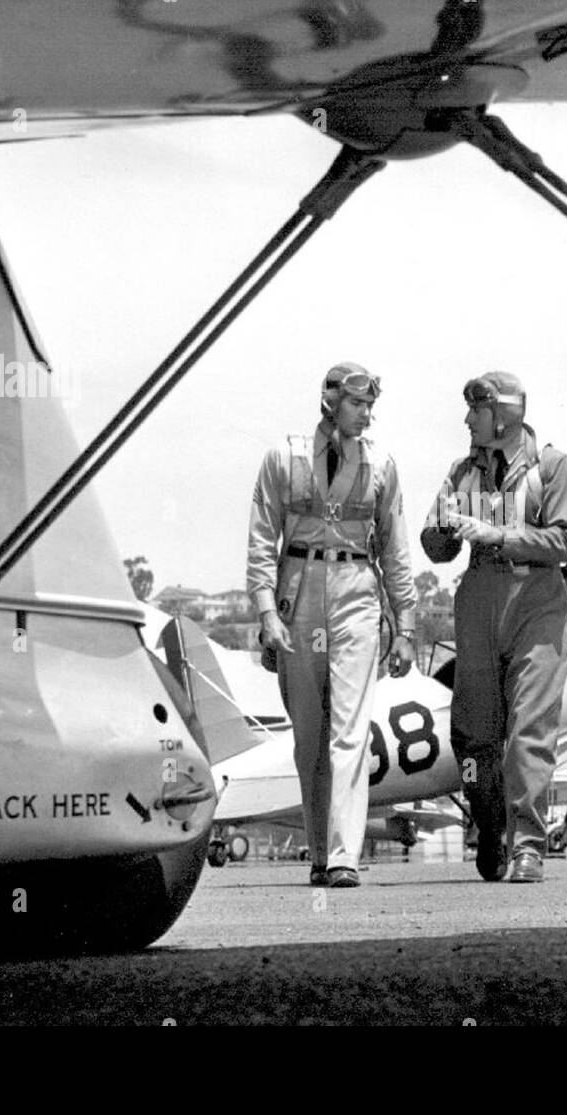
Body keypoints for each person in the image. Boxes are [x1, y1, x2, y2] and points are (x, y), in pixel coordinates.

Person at [247, 362, 417, 888]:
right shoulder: (283, 458)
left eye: (370, 406)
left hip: (355, 596)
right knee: (309, 737)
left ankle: (345, 855)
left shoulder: (382, 464)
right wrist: (266, 613)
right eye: (358, 403)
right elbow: (260, 540)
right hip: (297, 591)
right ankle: (321, 854)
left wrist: (405, 624)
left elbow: (395, 548)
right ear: (330, 402)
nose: (366, 414)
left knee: (351, 731)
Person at [420, 372, 567, 883]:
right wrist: (443, 529)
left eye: (476, 411)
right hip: (478, 603)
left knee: (529, 732)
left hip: (538, 603)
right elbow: (434, 545)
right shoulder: (461, 471)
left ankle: (528, 845)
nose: (467, 420)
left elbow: (564, 541)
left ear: (503, 415)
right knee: (473, 737)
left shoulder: (552, 468)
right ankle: (489, 827)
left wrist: (501, 534)